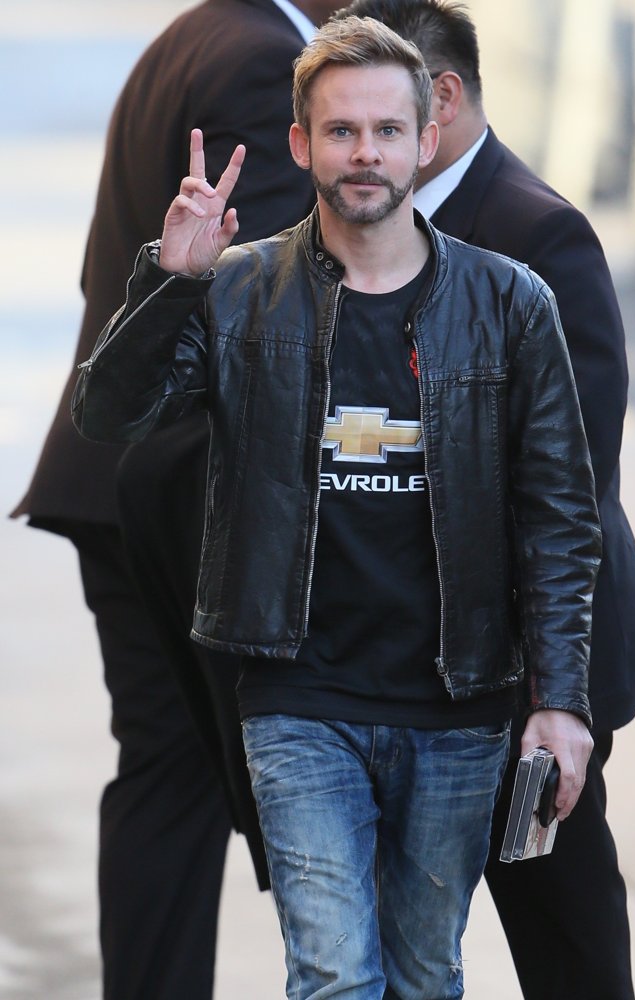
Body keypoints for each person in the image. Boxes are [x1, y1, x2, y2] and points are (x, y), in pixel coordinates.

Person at [72, 16, 601, 998]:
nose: (364, 154)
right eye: (341, 131)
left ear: (425, 137)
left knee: (418, 969)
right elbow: (112, 415)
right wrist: (168, 281)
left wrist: (560, 700)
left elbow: (559, 516)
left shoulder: (509, 303)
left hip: (456, 706)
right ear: (299, 144)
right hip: (295, 699)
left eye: (385, 131)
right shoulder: (236, 295)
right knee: (331, 971)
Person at [10, 2, 339, 997]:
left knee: (167, 772)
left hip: (122, 474)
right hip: (171, 490)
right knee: (183, 776)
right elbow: (282, 306)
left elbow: (101, 266)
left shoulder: (195, 36)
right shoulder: (259, 66)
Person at [334, 2, 635, 998]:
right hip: (403, 662)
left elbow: (573, 481)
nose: (360, 139)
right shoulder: (361, 218)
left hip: (521, 672)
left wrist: (543, 691)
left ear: (436, 97)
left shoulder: (537, 231)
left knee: (562, 937)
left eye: (380, 112)